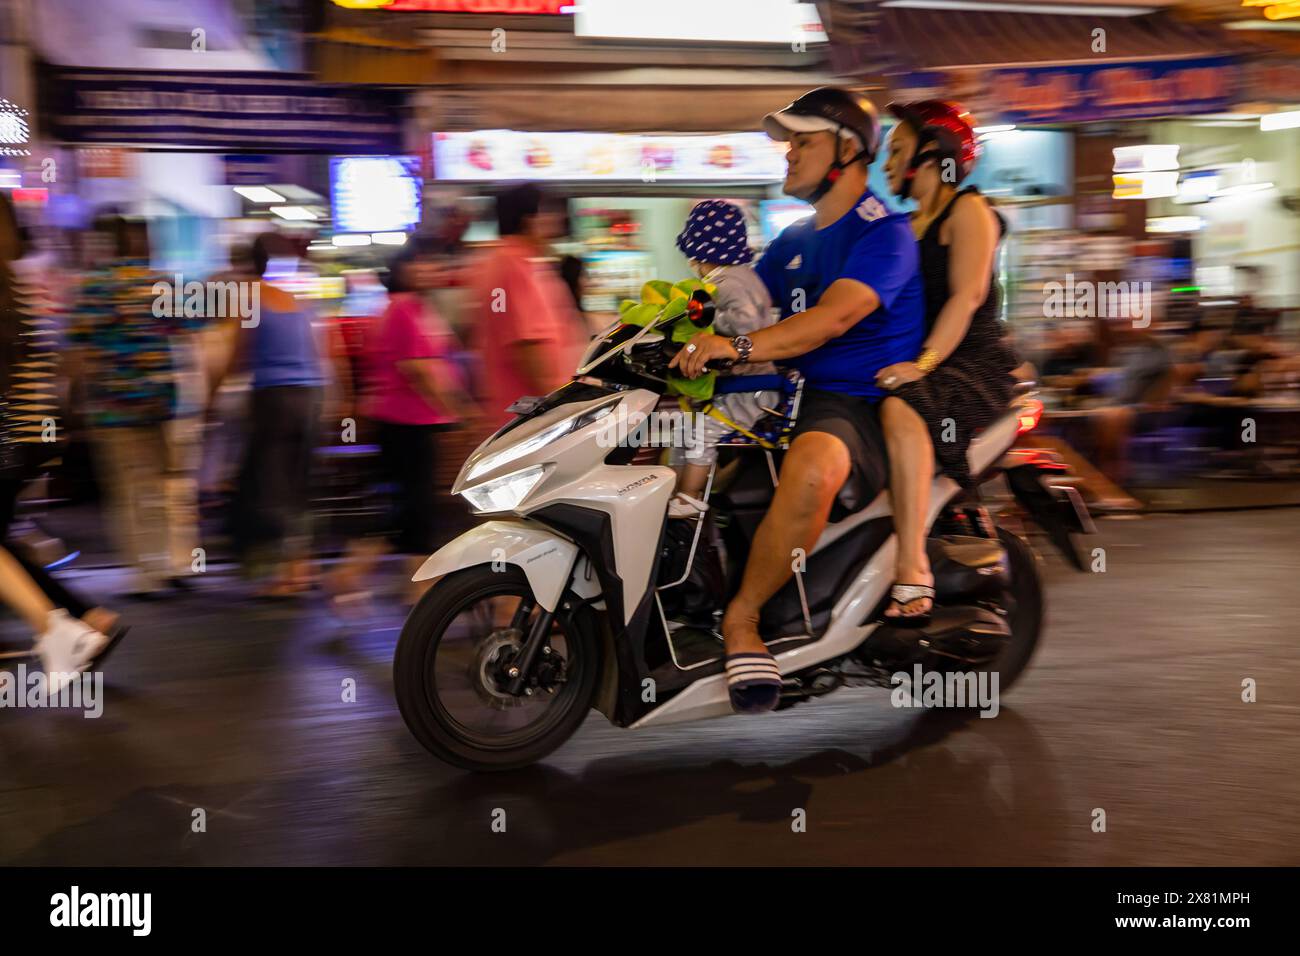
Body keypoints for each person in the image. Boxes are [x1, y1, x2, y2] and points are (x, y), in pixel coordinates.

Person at [672, 88, 925, 713]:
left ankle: (743, 620)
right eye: (788, 144)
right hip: (785, 397)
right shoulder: (792, 240)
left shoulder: (884, 235)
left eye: (802, 142)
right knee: (675, 446)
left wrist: (733, 346)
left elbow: (829, 320)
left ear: (848, 151)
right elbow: (739, 302)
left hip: (854, 403)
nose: (788, 155)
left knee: (814, 467)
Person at [874, 100, 1021, 623]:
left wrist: (925, 364)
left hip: (968, 365)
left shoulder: (968, 211)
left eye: (897, 150)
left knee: (901, 406)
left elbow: (966, 296)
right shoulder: (904, 224)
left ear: (934, 154)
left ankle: (913, 566)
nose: (887, 163)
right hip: (919, 361)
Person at [0, 192, 126, 679]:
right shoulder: (17, 281)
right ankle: (84, 620)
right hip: (28, 435)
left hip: (11, 435)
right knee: (7, 545)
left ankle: (64, 630)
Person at [322, 242, 479, 610]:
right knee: (415, 507)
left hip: (410, 421)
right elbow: (417, 369)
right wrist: (459, 410)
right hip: (407, 422)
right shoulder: (405, 308)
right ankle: (410, 586)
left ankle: (359, 574)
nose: (431, 270)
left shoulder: (411, 308)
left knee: (407, 508)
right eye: (421, 263)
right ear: (403, 270)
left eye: (433, 263)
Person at [66, 215, 205, 599]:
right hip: (162, 404)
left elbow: (77, 350)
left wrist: (72, 398)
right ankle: (175, 563)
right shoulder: (162, 284)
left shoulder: (95, 286)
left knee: (130, 491)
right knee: (166, 486)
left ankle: (148, 574)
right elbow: (194, 332)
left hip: (114, 408)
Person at [210, 232, 325, 598]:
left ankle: (286, 576)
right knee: (297, 485)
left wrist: (213, 395)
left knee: (272, 486)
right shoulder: (293, 299)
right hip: (311, 395)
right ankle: (303, 568)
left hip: (275, 399)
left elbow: (236, 357)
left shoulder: (248, 298)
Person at [667, 200, 781, 506]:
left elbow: (746, 325)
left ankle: (687, 499)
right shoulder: (743, 277)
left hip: (751, 389)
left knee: (700, 433)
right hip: (742, 387)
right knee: (686, 429)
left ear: (699, 254)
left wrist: (708, 322)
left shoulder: (728, 282)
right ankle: (674, 492)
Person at [470, 183, 585, 428]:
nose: (557, 217)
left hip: (522, 411)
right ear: (527, 219)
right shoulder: (514, 265)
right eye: (547, 210)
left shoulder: (505, 261)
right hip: (533, 416)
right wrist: (555, 408)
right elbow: (526, 344)